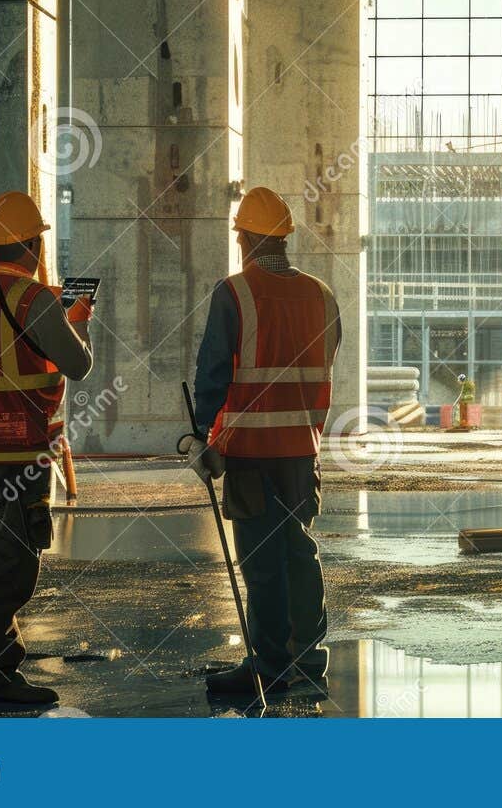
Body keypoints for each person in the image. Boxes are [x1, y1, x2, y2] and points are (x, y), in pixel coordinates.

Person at [191, 187, 340, 699]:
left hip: (251, 456)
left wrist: (198, 436)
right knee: (299, 551)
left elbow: (211, 372)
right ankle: (306, 658)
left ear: (247, 238)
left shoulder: (233, 293)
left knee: (261, 561)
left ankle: (270, 665)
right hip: (301, 451)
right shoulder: (322, 295)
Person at [0, 191, 92, 705]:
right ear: (31, 244)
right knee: (12, 562)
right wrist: (77, 322)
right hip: (22, 449)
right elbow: (77, 365)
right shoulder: (36, 301)